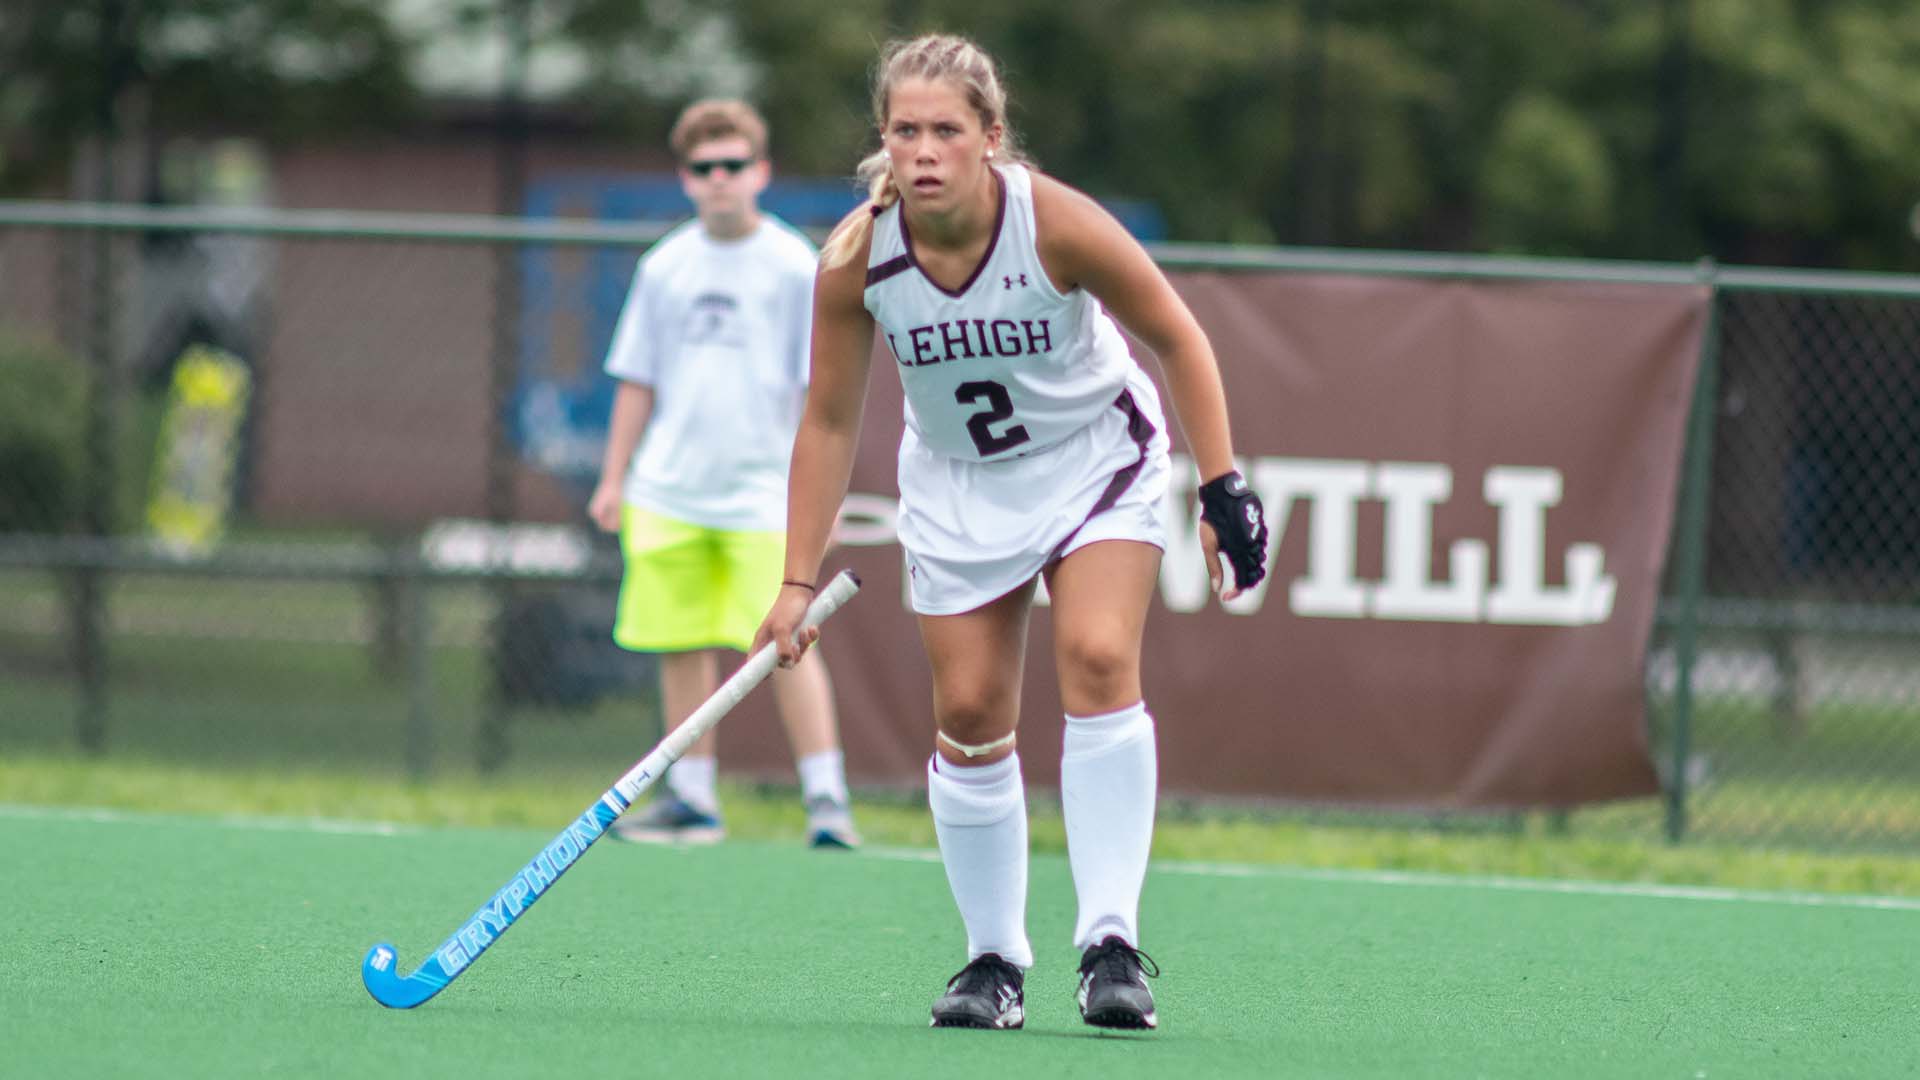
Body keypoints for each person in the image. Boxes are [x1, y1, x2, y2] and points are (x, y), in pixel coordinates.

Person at [753, 35, 1268, 1031]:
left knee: (1098, 651)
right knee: (975, 709)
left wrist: (1221, 483)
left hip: (1092, 461)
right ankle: (994, 963)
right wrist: (792, 580)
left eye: (947, 130)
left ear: (991, 137)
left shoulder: (1055, 224)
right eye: (905, 131)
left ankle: (1111, 944)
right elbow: (827, 420)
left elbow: (1175, 334)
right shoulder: (857, 261)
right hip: (957, 488)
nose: (925, 150)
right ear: (885, 142)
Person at [589, 99, 859, 850]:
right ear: (685, 178)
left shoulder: (794, 266)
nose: (720, 180)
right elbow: (636, 378)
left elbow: (825, 395)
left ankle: (827, 801)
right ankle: (692, 800)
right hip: (667, 495)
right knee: (681, 644)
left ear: (761, 172)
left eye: (734, 166)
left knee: (788, 643)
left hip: (763, 499)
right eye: (704, 169)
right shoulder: (664, 266)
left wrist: (821, 499)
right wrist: (614, 479)